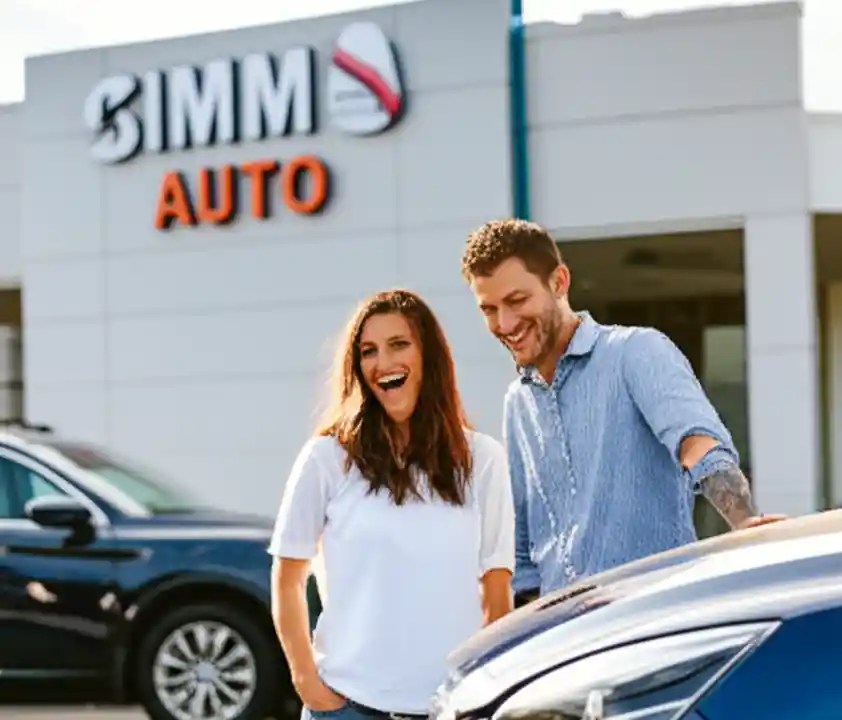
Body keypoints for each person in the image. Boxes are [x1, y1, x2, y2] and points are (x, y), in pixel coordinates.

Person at [461, 219, 785, 606]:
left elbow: (698, 445)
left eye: (517, 301)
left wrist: (745, 522)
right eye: (490, 309)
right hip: (567, 631)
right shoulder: (518, 402)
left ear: (559, 282)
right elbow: (525, 549)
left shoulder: (635, 353)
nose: (505, 323)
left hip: (652, 619)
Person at [267, 289, 515, 719]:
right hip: (347, 706)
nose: (382, 362)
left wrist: (486, 695)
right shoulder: (327, 458)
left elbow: (497, 592)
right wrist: (306, 680)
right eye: (368, 351)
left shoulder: (483, 460)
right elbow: (288, 576)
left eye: (399, 344)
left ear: (429, 357)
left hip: (454, 708)